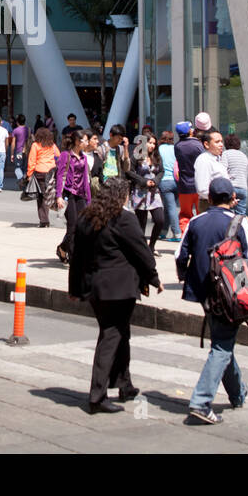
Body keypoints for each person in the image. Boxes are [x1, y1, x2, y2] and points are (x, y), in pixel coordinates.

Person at [177, 177, 248, 424]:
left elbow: (180, 254)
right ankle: (201, 401)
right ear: (232, 198)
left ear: (209, 197)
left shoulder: (196, 221)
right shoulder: (240, 223)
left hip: (203, 291)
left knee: (222, 340)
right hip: (231, 292)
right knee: (221, 345)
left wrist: (186, 276)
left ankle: (238, 393)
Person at [68, 179, 162, 414]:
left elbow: (76, 256)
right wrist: (153, 277)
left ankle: (124, 383)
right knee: (111, 335)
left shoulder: (86, 218)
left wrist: (75, 289)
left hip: (96, 288)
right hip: (119, 289)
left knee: (121, 333)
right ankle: (97, 394)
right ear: (122, 195)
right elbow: (141, 250)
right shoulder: (124, 218)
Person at [54, 131, 92, 265]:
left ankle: (62, 248)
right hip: (68, 194)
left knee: (81, 226)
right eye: (85, 140)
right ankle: (74, 257)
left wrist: (89, 200)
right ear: (77, 141)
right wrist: (58, 195)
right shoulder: (66, 155)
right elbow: (60, 176)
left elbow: (86, 179)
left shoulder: (84, 157)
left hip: (81, 194)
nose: (87, 143)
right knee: (72, 226)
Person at [127, 135, 166, 251]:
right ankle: (141, 249)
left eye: (154, 143)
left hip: (154, 193)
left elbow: (161, 171)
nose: (152, 146)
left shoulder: (156, 156)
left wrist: (155, 181)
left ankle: (152, 246)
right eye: (150, 143)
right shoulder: (136, 156)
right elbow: (129, 171)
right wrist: (143, 181)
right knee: (141, 224)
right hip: (140, 193)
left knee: (160, 220)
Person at [193, 128, 231, 211]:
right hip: (210, 205)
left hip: (222, 204)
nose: (221, 145)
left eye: (221, 141)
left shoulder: (217, 158)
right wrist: (220, 199)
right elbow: (202, 188)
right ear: (206, 144)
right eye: (217, 142)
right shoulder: (203, 160)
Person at [173, 121, 201, 234]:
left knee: (185, 215)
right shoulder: (198, 145)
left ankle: (186, 237)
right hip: (199, 185)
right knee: (202, 213)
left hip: (184, 186)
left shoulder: (177, 146)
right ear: (190, 131)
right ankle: (201, 237)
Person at [222, 134, 248, 208]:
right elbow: (246, 173)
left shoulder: (225, 154)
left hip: (231, 187)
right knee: (240, 215)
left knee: (228, 213)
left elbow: (223, 171)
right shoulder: (244, 156)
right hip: (243, 187)